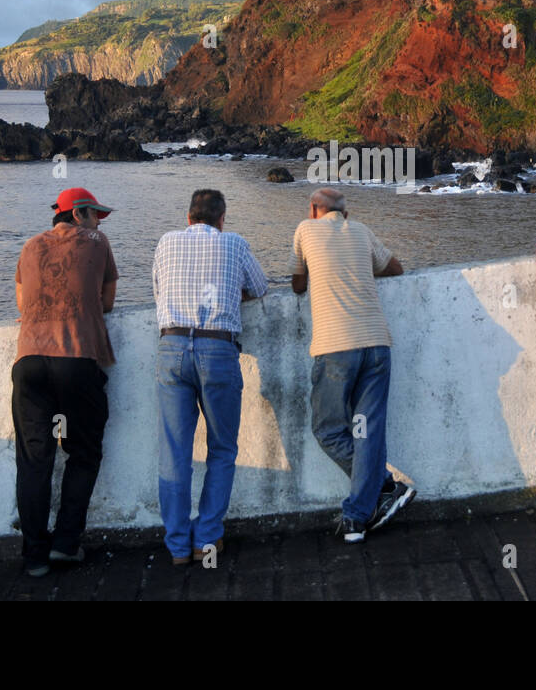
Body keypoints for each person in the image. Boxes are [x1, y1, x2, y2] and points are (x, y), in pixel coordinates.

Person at [152, 188, 269, 566]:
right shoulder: (234, 243)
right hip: (217, 350)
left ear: (188, 218)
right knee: (221, 449)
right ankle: (206, 539)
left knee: (175, 451)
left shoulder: (166, 242)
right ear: (222, 219)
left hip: (171, 348)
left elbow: (159, 292)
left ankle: (176, 547)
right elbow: (261, 287)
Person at [291, 187, 415, 543]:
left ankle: (370, 502)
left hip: (336, 349)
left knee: (328, 429)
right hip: (376, 345)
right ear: (344, 213)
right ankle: (374, 501)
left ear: (314, 209)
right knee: (367, 432)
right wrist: (355, 269)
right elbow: (395, 268)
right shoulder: (361, 231)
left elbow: (298, 284)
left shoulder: (304, 229)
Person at [12, 187, 118, 577]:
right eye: (94, 215)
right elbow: (106, 303)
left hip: (29, 361)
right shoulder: (97, 241)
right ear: (78, 215)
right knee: (84, 453)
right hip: (76, 360)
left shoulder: (28, 246)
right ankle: (66, 543)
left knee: (34, 461)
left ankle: (35, 557)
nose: (98, 223)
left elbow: (23, 305)